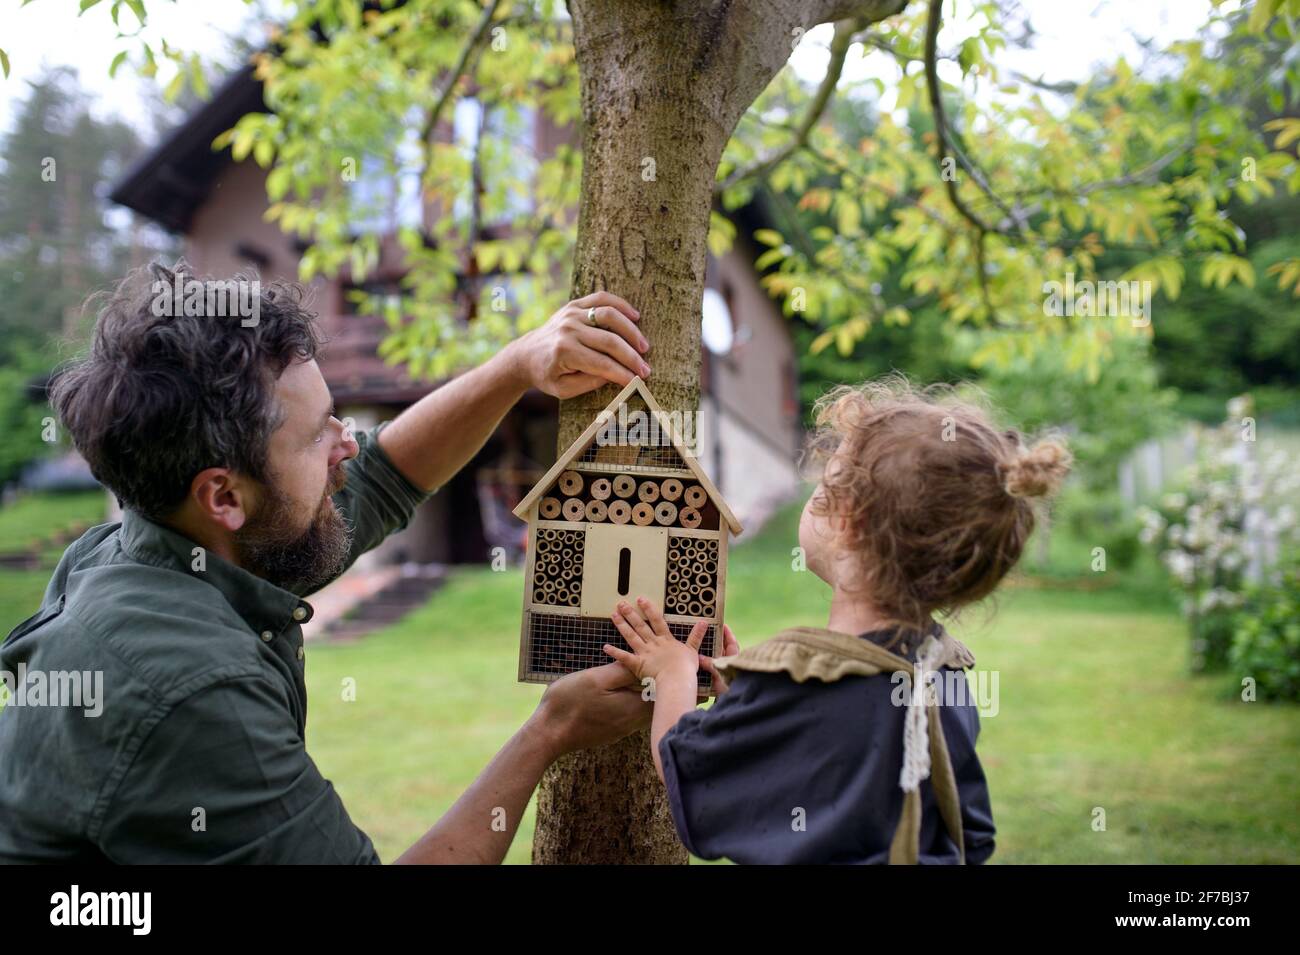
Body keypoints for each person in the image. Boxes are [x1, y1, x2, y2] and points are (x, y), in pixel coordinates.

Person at [0, 261, 655, 864]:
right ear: (223, 494)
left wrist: (517, 365)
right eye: (318, 437)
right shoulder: (194, 690)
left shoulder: (177, 545)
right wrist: (549, 731)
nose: (348, 442)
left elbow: (384, 476)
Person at [603, 375, 1072, 864]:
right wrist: (745, 709)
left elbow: (695, 778)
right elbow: (961, 827)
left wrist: (672, 673)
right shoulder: (942, 675)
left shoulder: (803, 682)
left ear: (847, 523)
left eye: (823, 489)